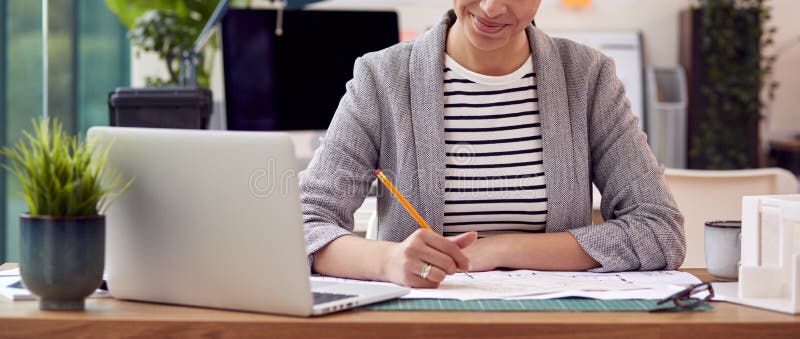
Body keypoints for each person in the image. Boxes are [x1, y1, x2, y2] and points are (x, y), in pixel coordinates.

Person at [300, 0, 686, 288]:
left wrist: (499, 249)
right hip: (419, 324)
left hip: (553, 324)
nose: (490, 7)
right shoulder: (382, 78)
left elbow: (659, 230)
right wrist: (388, 261)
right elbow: (303, 224)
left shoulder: (586, 77)